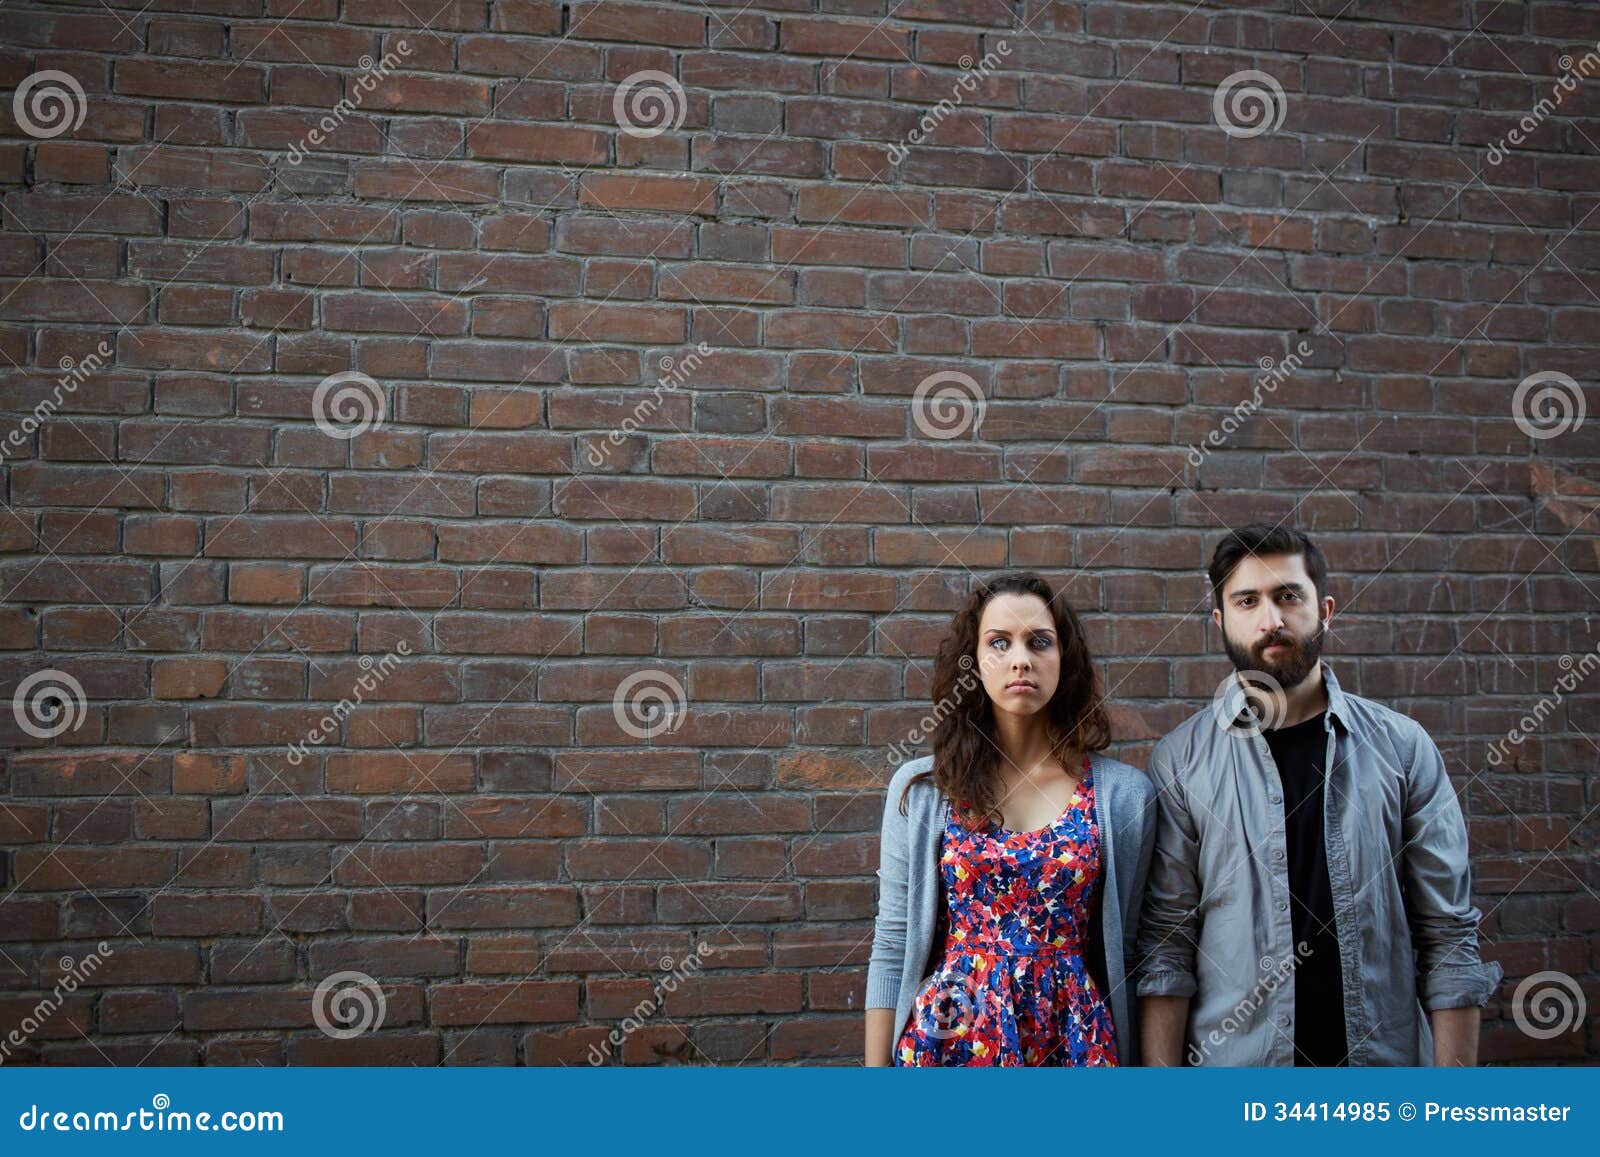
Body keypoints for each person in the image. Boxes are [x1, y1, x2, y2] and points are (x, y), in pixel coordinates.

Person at [1138, 524, 1502, 1066]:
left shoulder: (1402, 749)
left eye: (1289, 596)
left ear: (1325, 609)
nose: (1272, 620)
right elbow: (1167, 947)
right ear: (1220, 621)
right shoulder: (1180, 761)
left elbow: (1449, 938)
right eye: (1247, 601)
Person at [865, 572, 1155, 1066]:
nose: (1020, 658)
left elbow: (1130, 953)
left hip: (1074, 1041)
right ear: (974, 662)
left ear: (1065, 660)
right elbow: (893, 943)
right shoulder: (924, 792)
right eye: (999, 642)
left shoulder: (1125, 796)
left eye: (1039, 642)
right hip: (949, 1041)